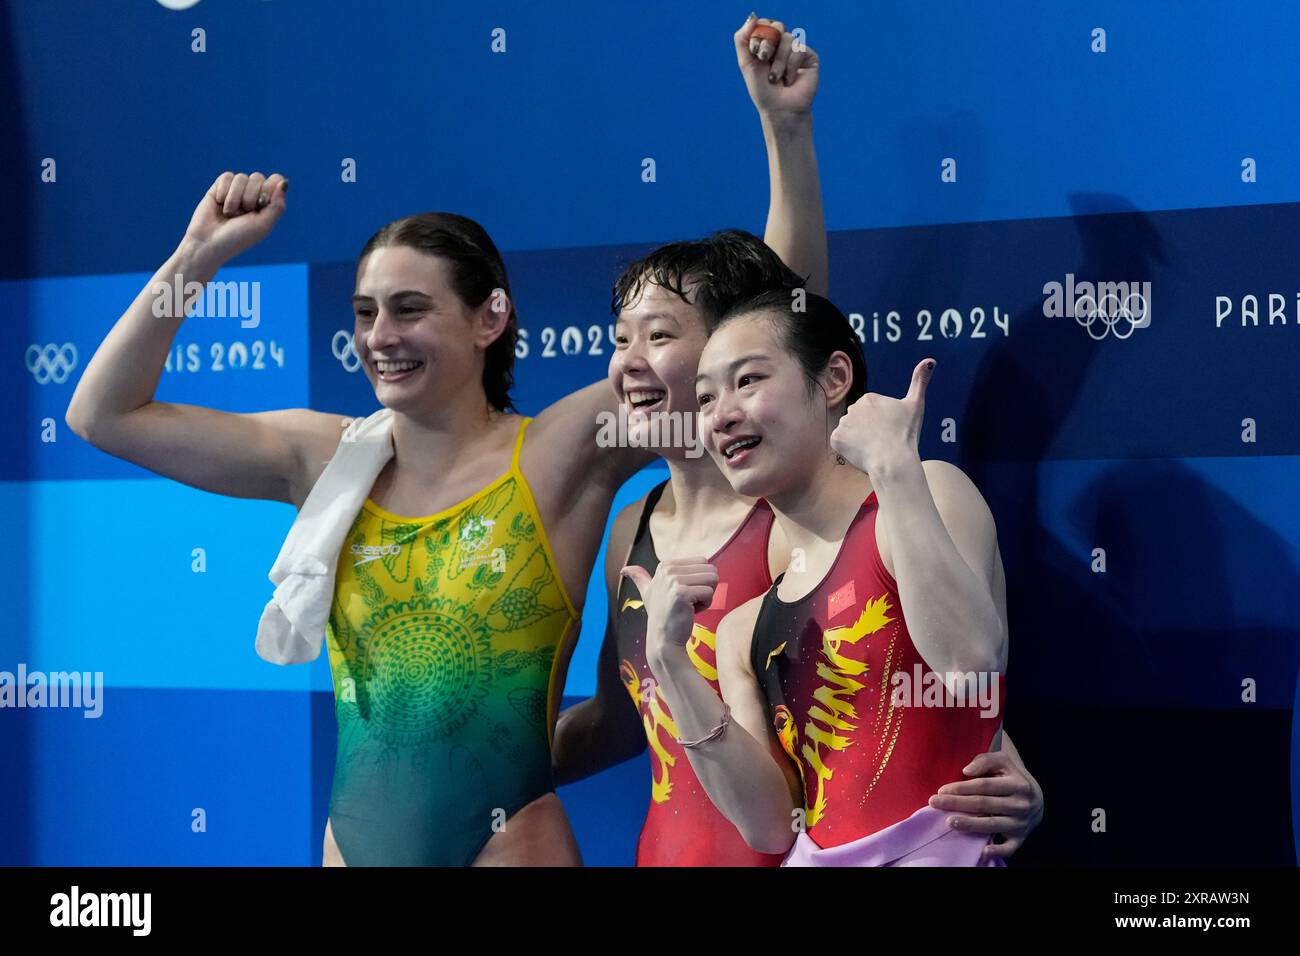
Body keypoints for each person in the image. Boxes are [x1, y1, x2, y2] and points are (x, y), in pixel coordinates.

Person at [63, 14, 828, 866]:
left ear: (490, 318)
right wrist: (196, 256)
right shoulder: (322, 460)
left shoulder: (564, 449)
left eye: (410, 308)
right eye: (364, 313)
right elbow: (104, 415)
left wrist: (784, 129)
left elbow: (767, 321)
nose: (380, 335)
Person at [624, 290, 1017, 865]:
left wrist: (893, 468)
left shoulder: (927, 491)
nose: (722, 414)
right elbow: (768, 829)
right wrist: (673, 667)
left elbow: (970, 664)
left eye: (749, 381)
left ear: (834, 379)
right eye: (705, 397)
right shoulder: (742, 628)